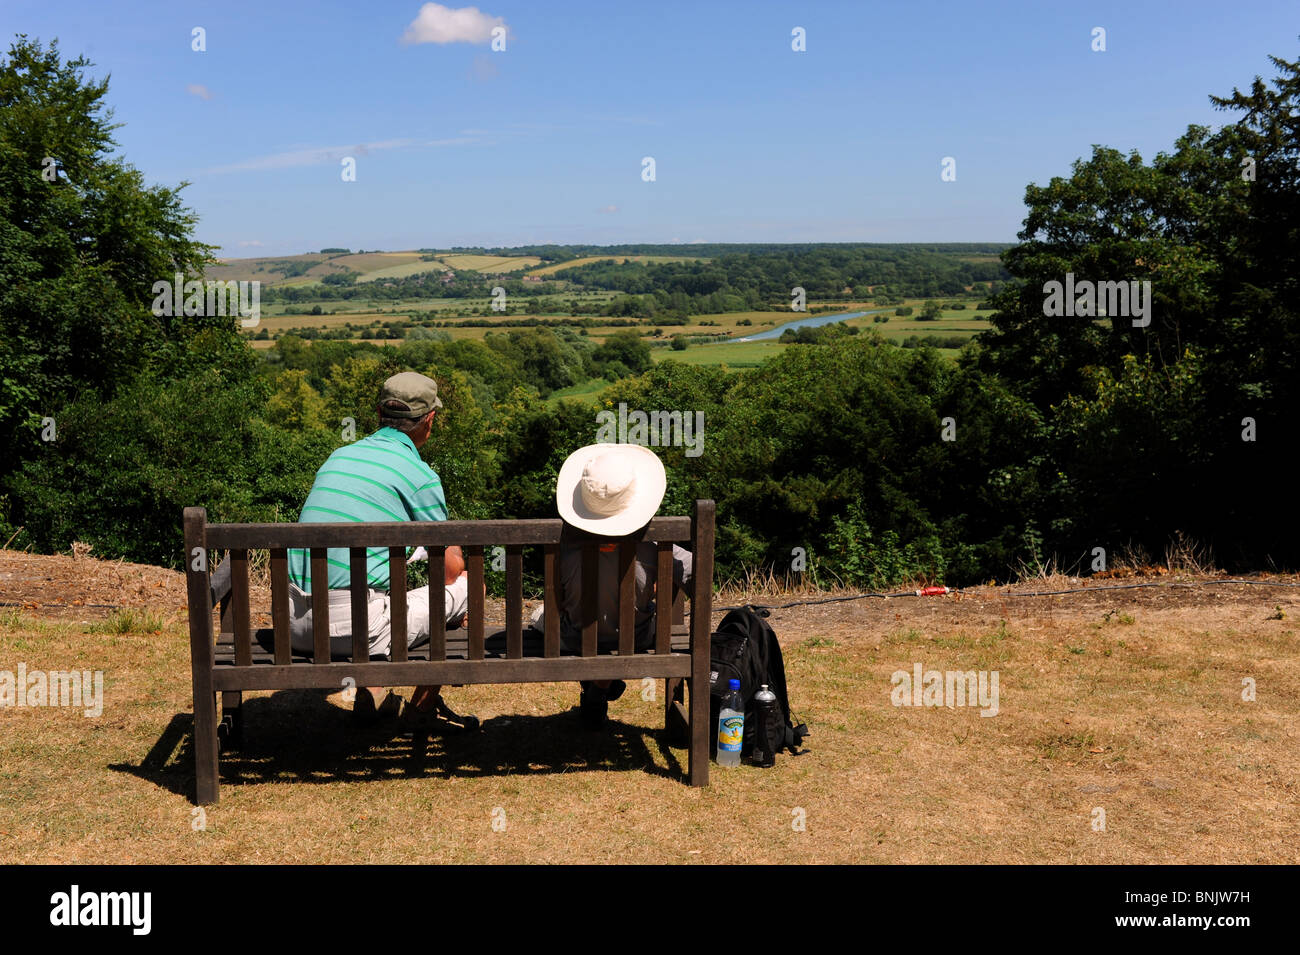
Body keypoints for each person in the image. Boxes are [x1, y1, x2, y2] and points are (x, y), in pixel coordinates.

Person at [284, 371, 474, 725]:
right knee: (465, 586)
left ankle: (374, 690)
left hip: (293, 623)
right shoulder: (420, 477)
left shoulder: (338, 457)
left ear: (378, 414)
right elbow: (446, 572)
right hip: (355, 632)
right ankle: (421, 709)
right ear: (429, 421)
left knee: (389, 594)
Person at [530, 443, 692, 728]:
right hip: (637, 639)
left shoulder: (563, 546)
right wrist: (658, 586)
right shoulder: (653, 546)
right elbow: (697, 576)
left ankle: (598, 685)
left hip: (573, 639)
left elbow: (560, 597)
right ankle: (601, 685)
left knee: (541, 616)